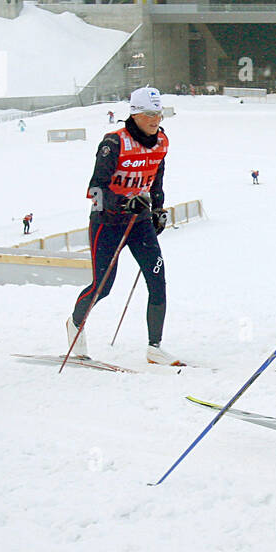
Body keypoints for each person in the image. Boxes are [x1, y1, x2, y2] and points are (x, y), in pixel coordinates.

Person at [67, 87, 181, 366]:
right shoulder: (113, 143)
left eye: (159, 113)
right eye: (150, 114)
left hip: (139, 222)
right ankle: (75, 325)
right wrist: (123, 203)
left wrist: (158, 209)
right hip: (108, 222)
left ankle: (155, 348)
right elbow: (96, 189)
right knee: (102, 287)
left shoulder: (161, 141)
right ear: (135, 113)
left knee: (157, 280)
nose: (156, 119)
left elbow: (157, 178)